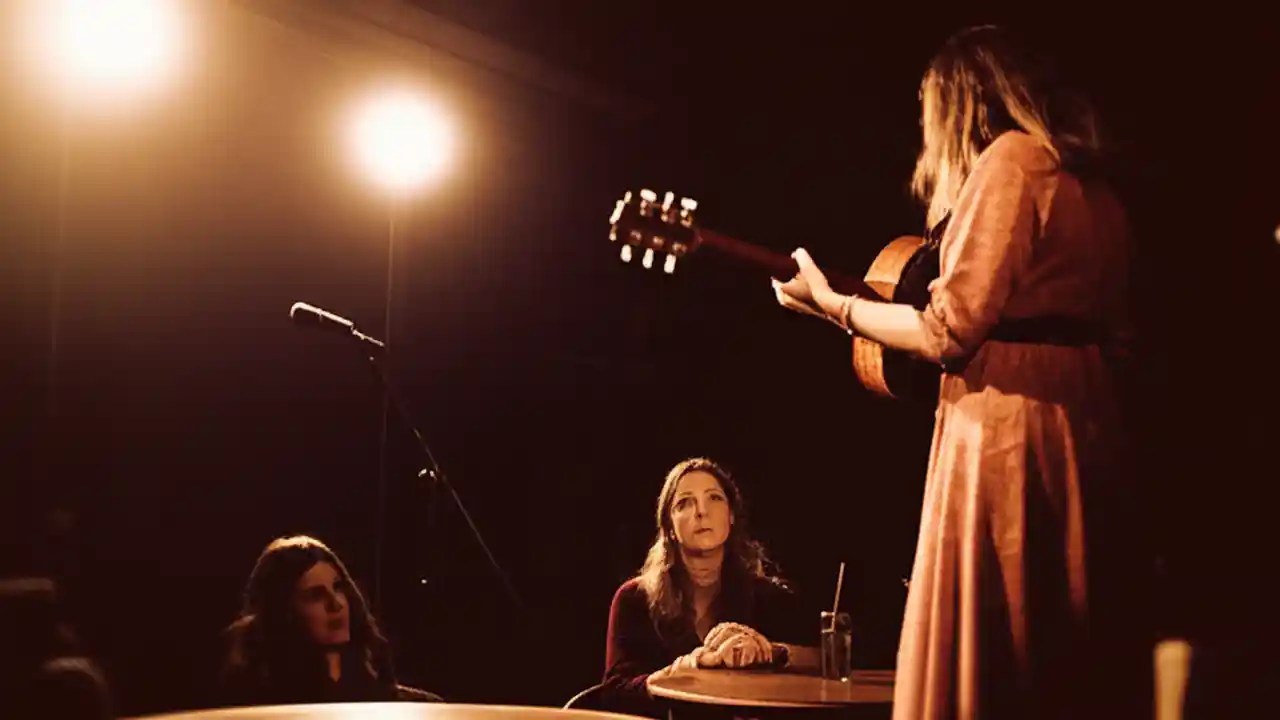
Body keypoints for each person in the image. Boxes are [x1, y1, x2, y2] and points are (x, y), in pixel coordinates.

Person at [773, 25, 1145, 720]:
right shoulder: (1096, 189)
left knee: (997, 637)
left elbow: (950, 328)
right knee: (1065, 644)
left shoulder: (1012, 162)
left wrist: (831, 305)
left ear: (960, 104)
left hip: (1006, 426)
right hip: (1087, 428)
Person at [600, 457, 813, 718]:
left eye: (714, 498)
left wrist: (772, 651)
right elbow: (613, 693)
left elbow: (829, 661)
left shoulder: (767, 595)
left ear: (731, 515)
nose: (701, 511)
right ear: (670, 528)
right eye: (684, 503)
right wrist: (683, 671)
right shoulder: (634, 599)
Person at [219, 534, 440, 706]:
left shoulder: (392, 695)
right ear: (284, 611)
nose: (336, 604)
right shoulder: (252, 698)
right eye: (315, 595)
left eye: (338, 587)